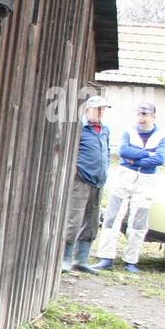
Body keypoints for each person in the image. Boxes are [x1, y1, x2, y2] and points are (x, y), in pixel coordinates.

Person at [93, 102, 165, 272]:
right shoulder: (129, 131)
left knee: (139, 221)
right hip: (124, 176)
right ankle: (106, 257)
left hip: (146, 179)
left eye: (145, 115)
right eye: (139, 114)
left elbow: (160, 159)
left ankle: (131, 260)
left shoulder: (161, 135)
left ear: (153, 117)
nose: (141, 118)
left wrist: (136, 159)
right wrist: (148, 154)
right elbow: (123, 152)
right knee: (113, 216)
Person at [62, 95, 110, 274]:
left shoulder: (105, 130)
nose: (100, 113)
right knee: (74, 219)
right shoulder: (80, 128)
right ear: (88, 109)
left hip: (99, 181)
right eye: (98, 109)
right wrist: (75, 170)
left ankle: (81, 259)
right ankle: (65, 258)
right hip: (81, 180)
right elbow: (70, 151)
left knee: (92, 221)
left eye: (103, 109)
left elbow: (108, 151)